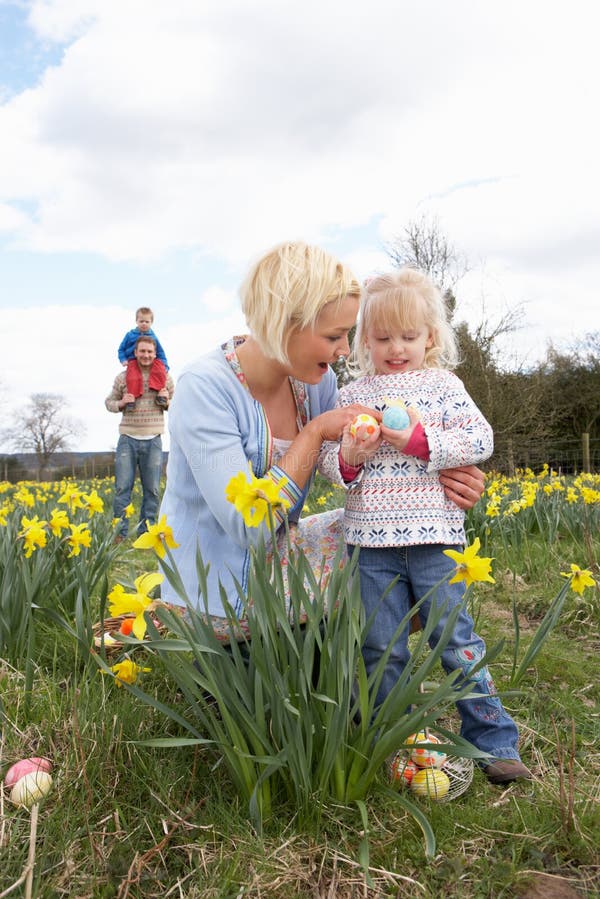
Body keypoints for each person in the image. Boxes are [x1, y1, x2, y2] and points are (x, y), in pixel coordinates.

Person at [159, 241, 485, 640]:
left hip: (280, 557)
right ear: (285, 325)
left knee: (413, 535)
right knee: (385, 555)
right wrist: (314, 433)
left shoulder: (316, 380)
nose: (347, 350)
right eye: (335, 336)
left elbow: (353, 461)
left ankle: (362, 671)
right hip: (218, 591)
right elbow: (247, 525)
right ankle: (319, 665)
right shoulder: (204, 389)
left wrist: (445, 477)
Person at [319, 268, 531, 784]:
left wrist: (418, 440)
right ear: (364, 340)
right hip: (371, 544)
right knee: (380, 647)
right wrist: (349, 453)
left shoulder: (443, 386)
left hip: (436, 541)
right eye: (383, 337)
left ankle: (494, 742)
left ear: (431, 337)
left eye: (409, 336)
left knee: (456, 642)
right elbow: (329, 463)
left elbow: (480, 440)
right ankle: (392, 739)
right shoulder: (355, 393)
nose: (396, 347)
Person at [106, 335, 175, 541]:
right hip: (127, 438)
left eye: (149, 352)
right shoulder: (122, 377)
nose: (146, 355)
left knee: (152, 490)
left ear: (155, 354)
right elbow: (109, 402)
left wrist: (166, 401)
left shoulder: (165, 378)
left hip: (153, 439)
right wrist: (120, 403)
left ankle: (147, 533)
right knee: (122, 488)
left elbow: (178, 405)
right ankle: (120, 534)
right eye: (142, 351)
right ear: (135, 353)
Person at [118, 307, 170, 409]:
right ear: (136, 321)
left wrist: (165, 366)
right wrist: (123, 359)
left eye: (147, 321)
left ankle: (161, 395)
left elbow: (160, 352)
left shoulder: (153, 337)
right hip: (132, 360)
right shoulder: (130, 335)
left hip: (153, 362)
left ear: (151, 323)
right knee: (132, 376)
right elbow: (121, 349)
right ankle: (131, 400)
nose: (144, 324)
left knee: (159, 370)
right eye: (141, 321)